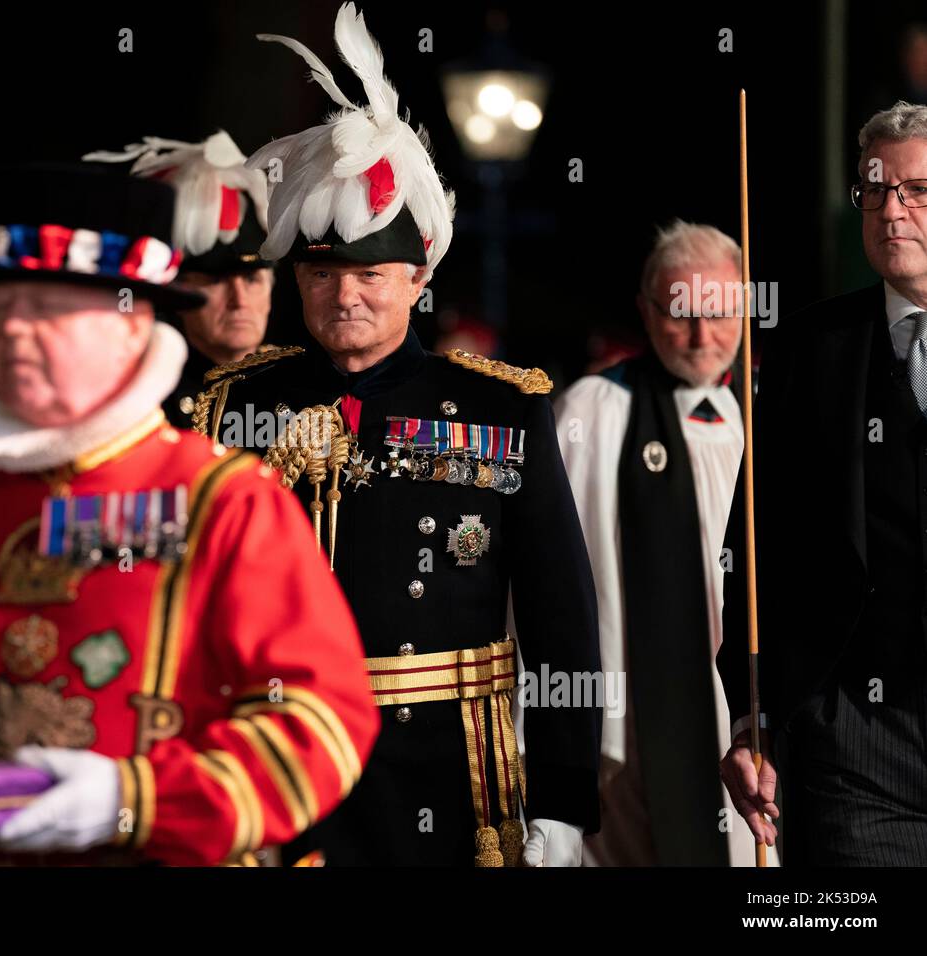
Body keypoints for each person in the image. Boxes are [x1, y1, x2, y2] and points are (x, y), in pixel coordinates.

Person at [0, 163, 379, 867]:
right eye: (2, 308)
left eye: (46, 310)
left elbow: (322, 720)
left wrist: (132, 798)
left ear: (133, 324)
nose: (13, 333)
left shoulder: (230, 503)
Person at [195, 3, 601, 866]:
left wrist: (563, 797)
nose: (346, 298)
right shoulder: (231, 408)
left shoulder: (501, 409)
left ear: (418, 278)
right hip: (276, 761)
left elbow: (561, 616)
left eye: (372, 276)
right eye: (322, 275)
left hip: (445, 771)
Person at [719, 100, 927, 865]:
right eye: (874, 190)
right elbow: (756, 544)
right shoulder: (812, 348)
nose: (891, 209)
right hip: (855, 754)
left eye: (916, 191)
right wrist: (754, 718)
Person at [555, 220, 769, 866]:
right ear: (647, 312)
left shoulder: (769, 409)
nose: (704, 337)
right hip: (631, 703)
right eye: (681, 316)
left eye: (719, 313)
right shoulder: (594, 409)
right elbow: (558, 568)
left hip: (744, 702)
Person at [84, 131, 275, 428]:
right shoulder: (140, 395)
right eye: (215, 280)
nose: (239, 301)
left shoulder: (304, 391)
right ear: (178, 292)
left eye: (252, 279)